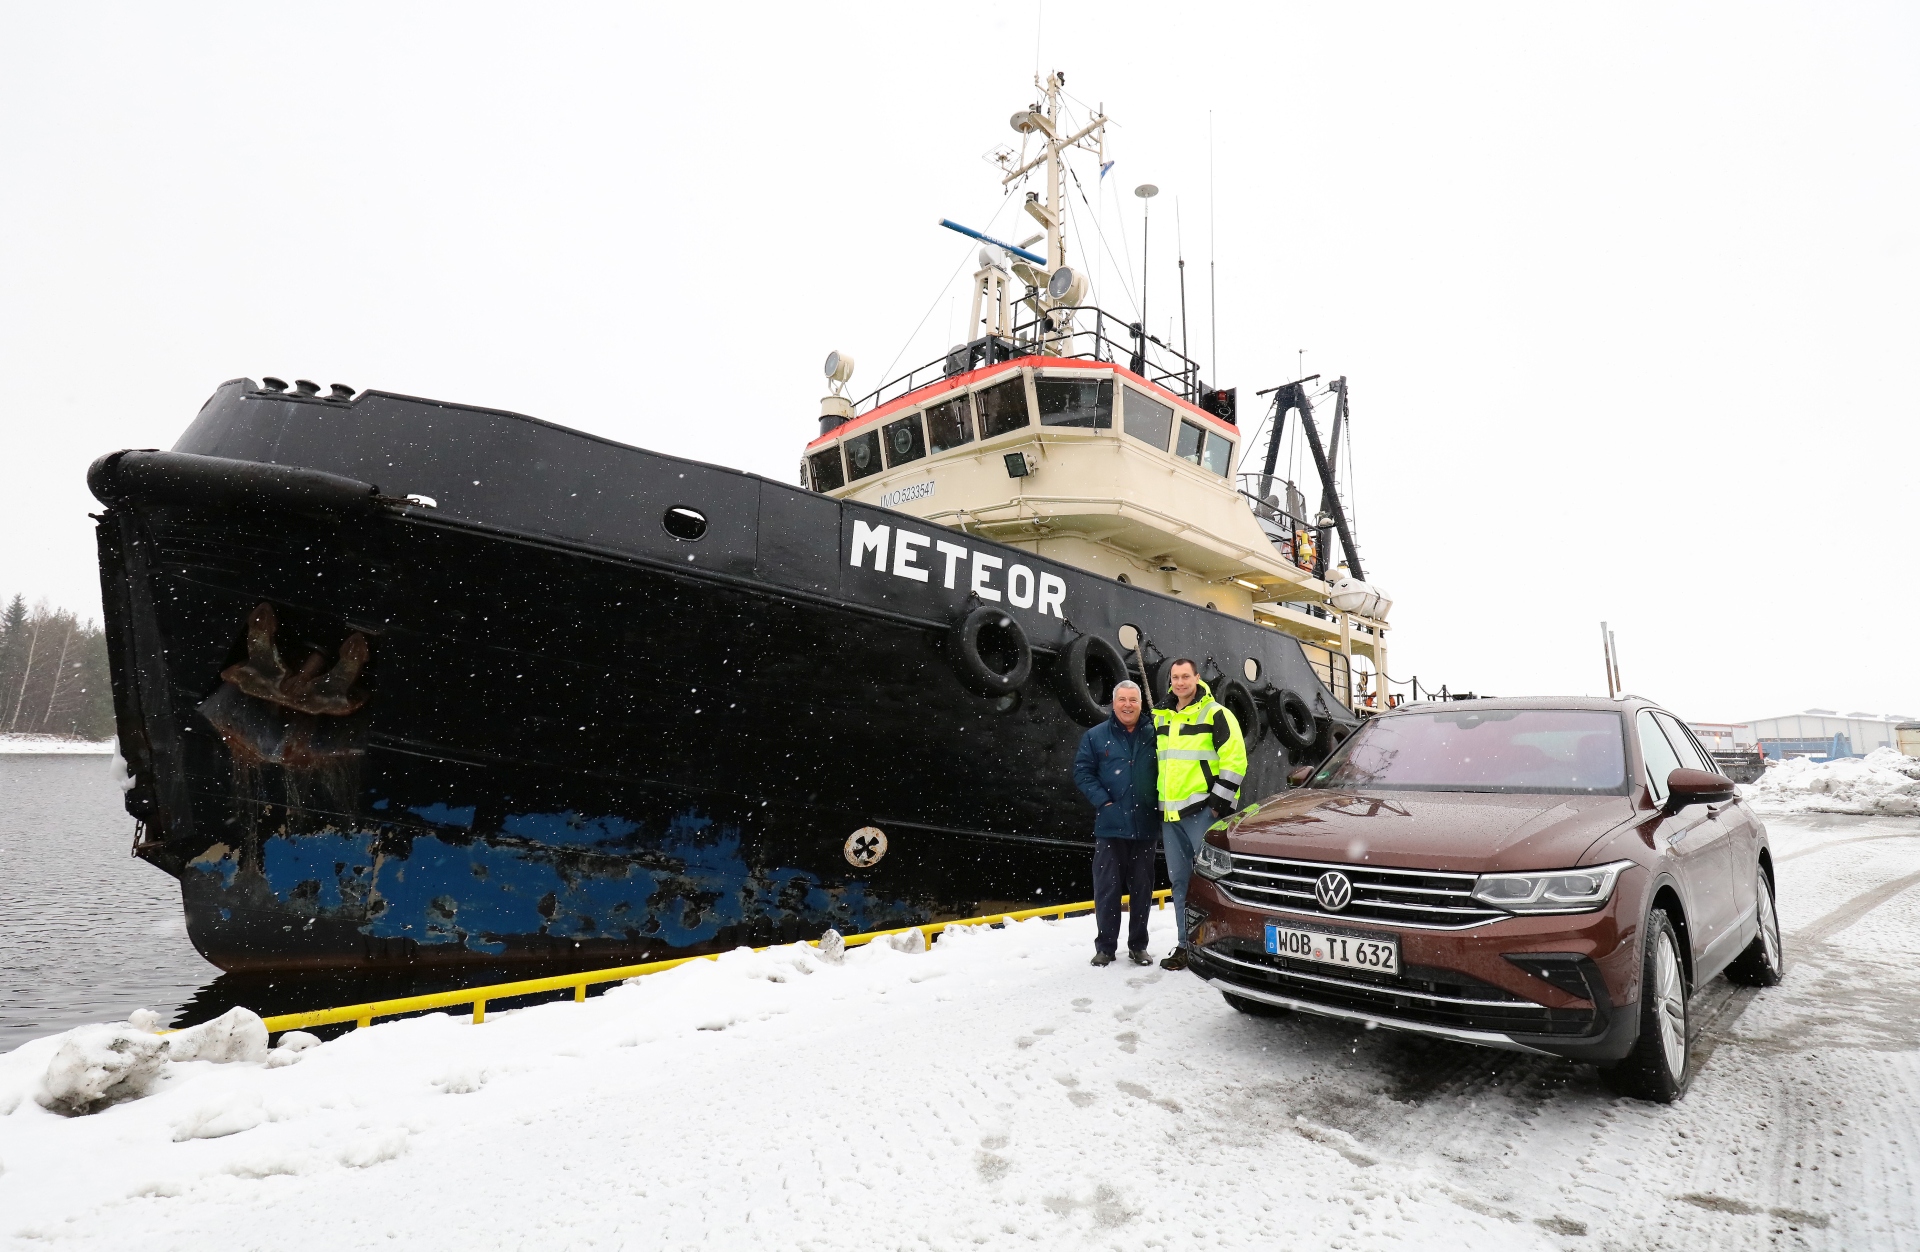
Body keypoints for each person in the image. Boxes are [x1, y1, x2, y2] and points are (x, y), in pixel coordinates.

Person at [1153, 658, 1247, 970]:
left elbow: (1234, 760)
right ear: (1170, 680)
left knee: (1215, 882)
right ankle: (1186, 946)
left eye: (1185, 677)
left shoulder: (1216, 714)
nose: (1180, 683)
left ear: (1196, 678)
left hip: (1202, 815)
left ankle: (1222, 944)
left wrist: (1217, 806)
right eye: (1175, 677)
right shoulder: (1161, 715)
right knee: (1181, 883)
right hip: (1171, 817)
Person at [1071, 680, 1159, 967]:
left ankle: (1138, 946)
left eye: (1133, 700)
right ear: (1114, 702)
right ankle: (1106, 947)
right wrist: (1103, 801)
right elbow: (1083, 771)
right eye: (1122, 699)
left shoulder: (1156, 734)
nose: (1127, 705)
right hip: (1110, 826)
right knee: (1107, 889)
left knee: (1142, 889)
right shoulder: (1096, 736)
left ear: (1140, 704)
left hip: (1145, 824)